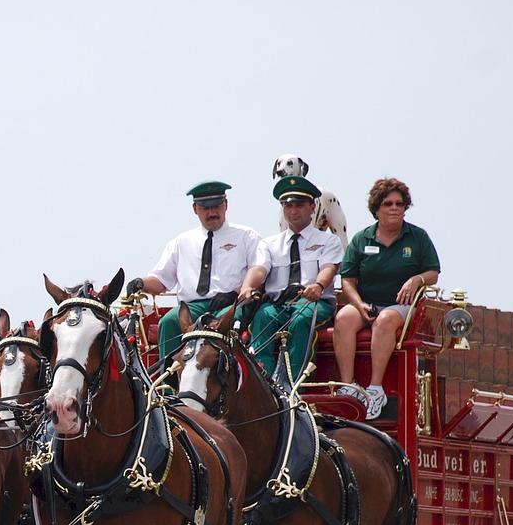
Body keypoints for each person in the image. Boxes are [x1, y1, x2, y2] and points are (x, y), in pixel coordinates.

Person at [333, 177, 440, 419]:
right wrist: (358, 304)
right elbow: (347, 279)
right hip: (367, 302)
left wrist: (416, 280)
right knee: (342, 319)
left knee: (384, 322)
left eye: (399, 204)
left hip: (400, 306)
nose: (394, 208)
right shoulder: (362, 239)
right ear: (377, 209)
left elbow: (433, 272)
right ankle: (349, 387)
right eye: (388, 203)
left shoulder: (417, 237)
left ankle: (375, 389)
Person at [128, 180, 261, 361]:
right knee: (169, 322)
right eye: (205, 208)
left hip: (231, 304)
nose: (212, 212)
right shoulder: (181, 242)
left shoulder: (246, 236)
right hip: (192, 306)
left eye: (216, 206)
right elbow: (160, 280)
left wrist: (236, 293)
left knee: (225, 322)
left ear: (226, 205)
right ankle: (167, 386)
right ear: (195, 209)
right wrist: (141, 283)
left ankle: (230, 383)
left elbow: (259, 270)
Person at [242, 176, 342, 385]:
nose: (293, 211)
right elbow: (259, 269)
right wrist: (248, 287)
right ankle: (265, 386)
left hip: (314, 302)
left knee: (301, 320)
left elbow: (328, 268)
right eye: (288, 206)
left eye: (299, 205)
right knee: (262, 317)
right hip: (278, 304)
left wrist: (318, 285)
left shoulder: (328, 240)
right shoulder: (269, 244)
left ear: (312, 207)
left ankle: (292, 386)